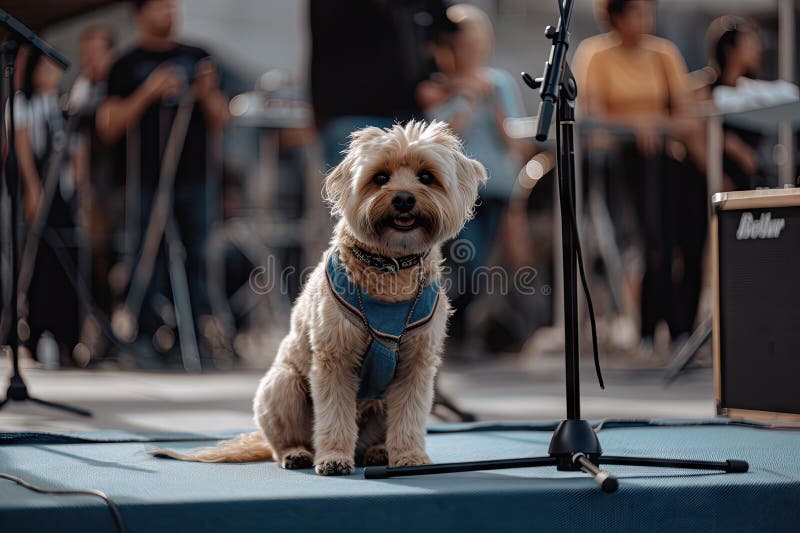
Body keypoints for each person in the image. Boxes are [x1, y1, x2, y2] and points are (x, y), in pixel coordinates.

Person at [97, 0, 228, 366]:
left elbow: (222, 119)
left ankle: (197, 332)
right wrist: (149, 93)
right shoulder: (125, 65)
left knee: (198, 254)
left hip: (195, 178)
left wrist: (207, 94)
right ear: (139, 15)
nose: (169, 14)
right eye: (159, 7)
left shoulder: (198, 56)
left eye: (172, 6)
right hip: (145, 178)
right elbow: (108, 126)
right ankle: (144, 333)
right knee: (146, 254)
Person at [573, 0, 707, 355]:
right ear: (615, 17)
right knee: (648, 243)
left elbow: (686, 117)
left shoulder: (663, 53)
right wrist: (635, 125)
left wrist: (654, 125)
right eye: (635, 12)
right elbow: (594, 113)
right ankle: (648, 328)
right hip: (620, 160)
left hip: (664, 157)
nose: (644, 19)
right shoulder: (596, 54)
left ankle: (679, 328)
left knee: (677, 241)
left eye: (646, 11)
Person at [418, 3, 527, 353]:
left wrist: (493, 106)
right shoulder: (439, 85)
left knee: (478, 262)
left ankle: (459, 326)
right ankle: (454, 325)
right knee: (465, 254)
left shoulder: (498, 83)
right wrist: (464, 95)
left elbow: (515, 137)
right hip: (454, 187)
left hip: (495, 184)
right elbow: (439, 131)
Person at [309, 0, 452, 168]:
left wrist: (447, 81)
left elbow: (452, 26)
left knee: (413, 190)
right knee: (357, 189)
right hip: (353, 115)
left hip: (413, 115)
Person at [14, 50, 80, 365]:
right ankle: (35, 334)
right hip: (38, 187)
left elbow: (78, 155)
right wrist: (32, 188)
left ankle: (68, 338)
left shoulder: (65, 106)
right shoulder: (24, 104)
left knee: (65, 263)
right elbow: (22, 145)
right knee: (37, 260)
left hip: (63, 194)